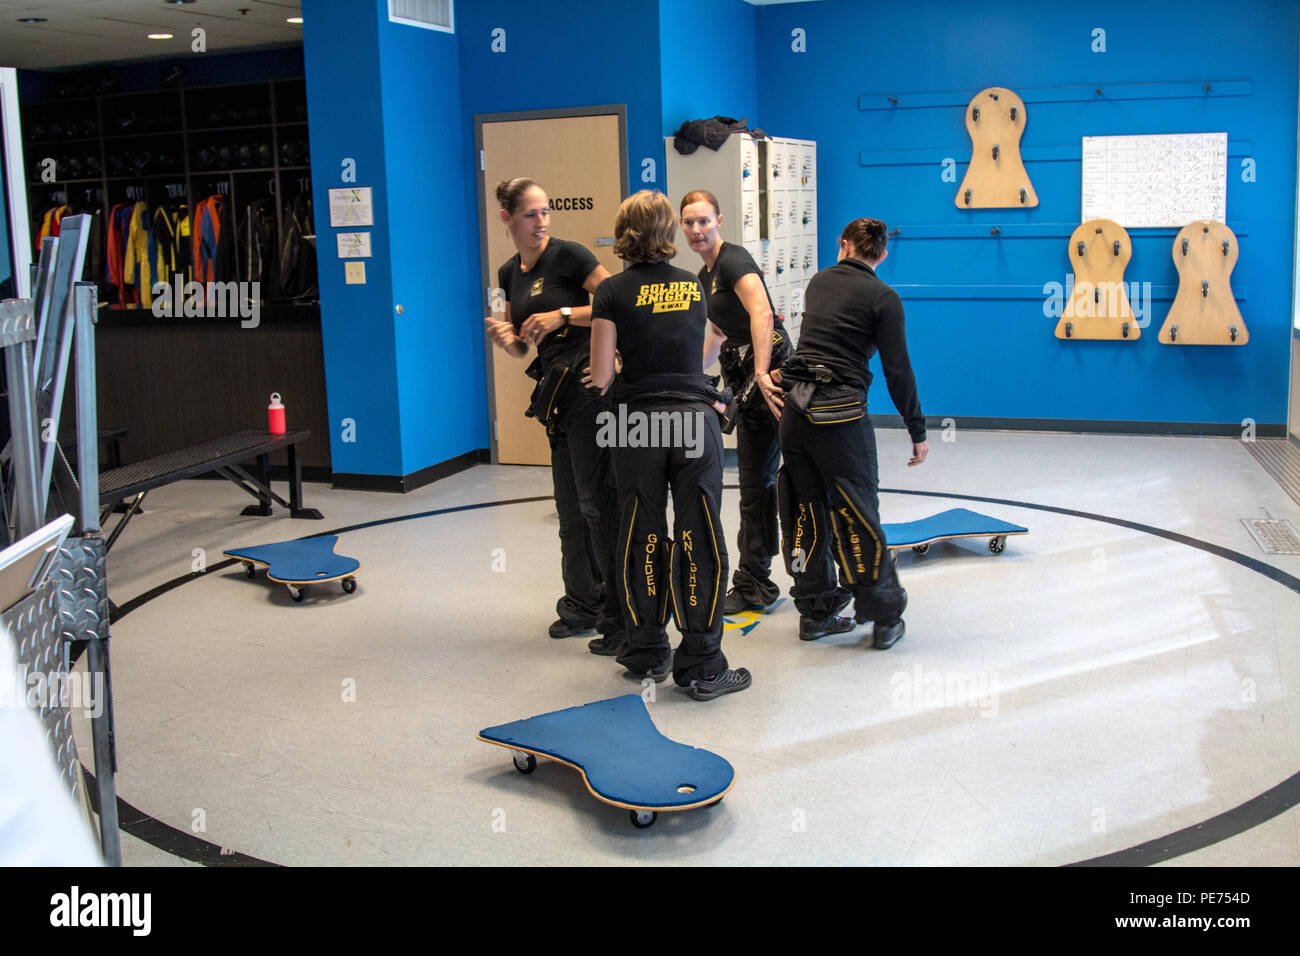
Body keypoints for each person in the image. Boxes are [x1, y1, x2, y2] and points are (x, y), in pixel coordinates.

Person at [588, 191, 750, 700]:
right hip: (693, 422)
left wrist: (624, 369)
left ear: (623, 232)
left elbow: (598, 375)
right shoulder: (693, 285)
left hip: (637, 426)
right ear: (668, 231)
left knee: (642, 532)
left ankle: (647, 650)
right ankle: (702, 665)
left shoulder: (610, 291)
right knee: (699, 533)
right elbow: (698, 361)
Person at [483, 177, 623, 653]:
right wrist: (511, 342)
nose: (541, 222)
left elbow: (614, 302)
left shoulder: (570, 256)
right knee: (568, 507)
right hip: (555, 392)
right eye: (530, 214)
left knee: (594, 502)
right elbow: (524, 345)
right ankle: (581, 602)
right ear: (508, 218)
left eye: (545, 212)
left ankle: (616, 609)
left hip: (588, 387)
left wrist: (563, 313)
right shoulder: (508, 273)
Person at [776, 217, 929, 647]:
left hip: (797, 410)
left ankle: (816, 613)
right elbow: (898, 371)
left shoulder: (819, 282)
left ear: (842, 246)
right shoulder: (884, 297)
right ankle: (883, 619)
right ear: (882, 254)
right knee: (859, 512)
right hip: (839, 417)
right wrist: (917, 429)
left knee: (805, 512)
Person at [679, 190, 788, 614]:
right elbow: (719, 336)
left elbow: (762, 313)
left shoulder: (733, 260)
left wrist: (762, 373)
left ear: (719, 221)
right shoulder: (704, 276)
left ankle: (825, 577)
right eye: (689, 222)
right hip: (746, 382)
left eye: (703, 221)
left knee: (800, 480)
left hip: (775, 377)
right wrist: (691, 376)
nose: (696, 230)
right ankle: (753, 582)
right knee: (754, 485)